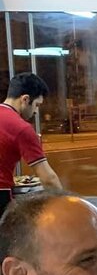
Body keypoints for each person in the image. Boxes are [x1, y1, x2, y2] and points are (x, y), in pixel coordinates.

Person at [0, 72, 61, 219]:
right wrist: (64, 206)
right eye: (36, 105)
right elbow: (48, 178)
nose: (35, 112)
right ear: (25, 99)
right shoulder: (21, 128)